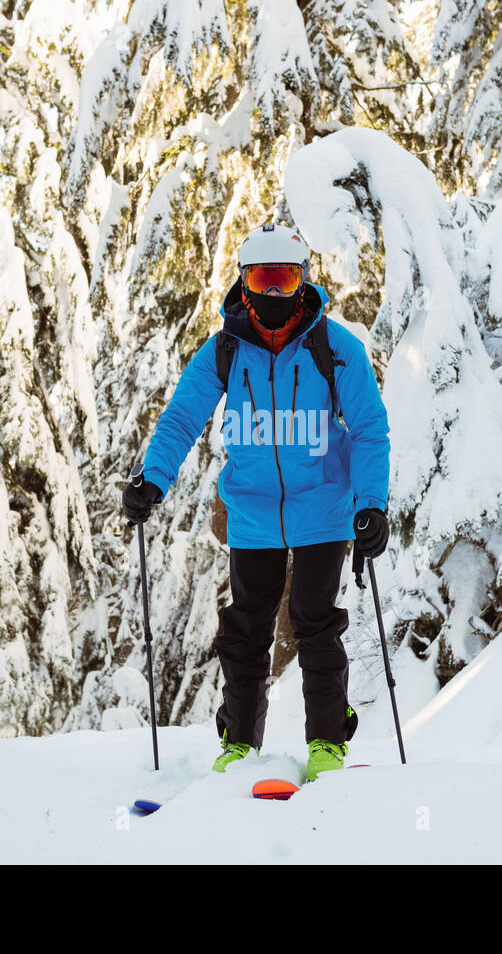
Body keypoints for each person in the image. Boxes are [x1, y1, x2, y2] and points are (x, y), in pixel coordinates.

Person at [122, 223, 391, 782]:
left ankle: (327, 742)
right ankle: (239, 743)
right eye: (262, 279)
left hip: (322, 507)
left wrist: (371, 504)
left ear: (303, 283)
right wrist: (153, 478)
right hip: (252, 512)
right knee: (246, 627)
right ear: (244, 285)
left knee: (314, 621)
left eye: (284, 279)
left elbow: (368, 428)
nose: (273, 294)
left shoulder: (335, 348)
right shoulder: (225, 349)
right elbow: (182, 416)